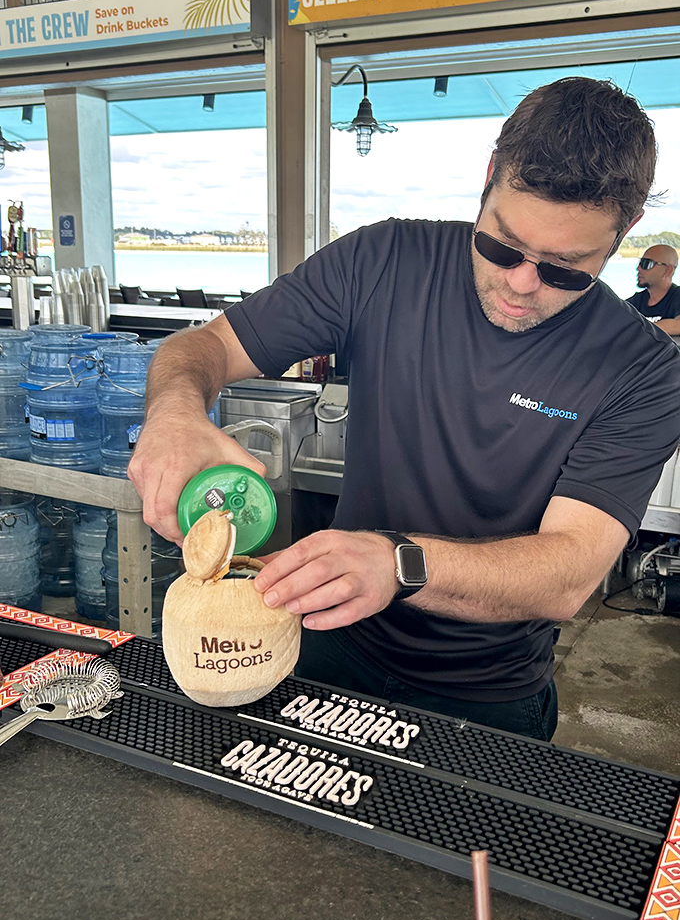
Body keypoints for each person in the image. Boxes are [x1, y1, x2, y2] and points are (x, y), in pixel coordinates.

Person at [129, 77, 680, 742]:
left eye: (566, 267)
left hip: (488, 696)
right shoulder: (384, 260)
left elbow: (569, 571)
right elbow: (206, 347)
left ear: (624, 236)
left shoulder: (643, 368)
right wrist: (175, 411)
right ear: (488, 178)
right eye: (502, 245)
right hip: (328, 642)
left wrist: (397, 563)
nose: (520, 282)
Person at [626, 243, 680, 334]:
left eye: (646, 263)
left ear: (668, 270)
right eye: (640, 263)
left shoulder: (677, 297)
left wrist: (638, 329)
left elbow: (677, 325)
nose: (638, 268)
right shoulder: (635, 302)